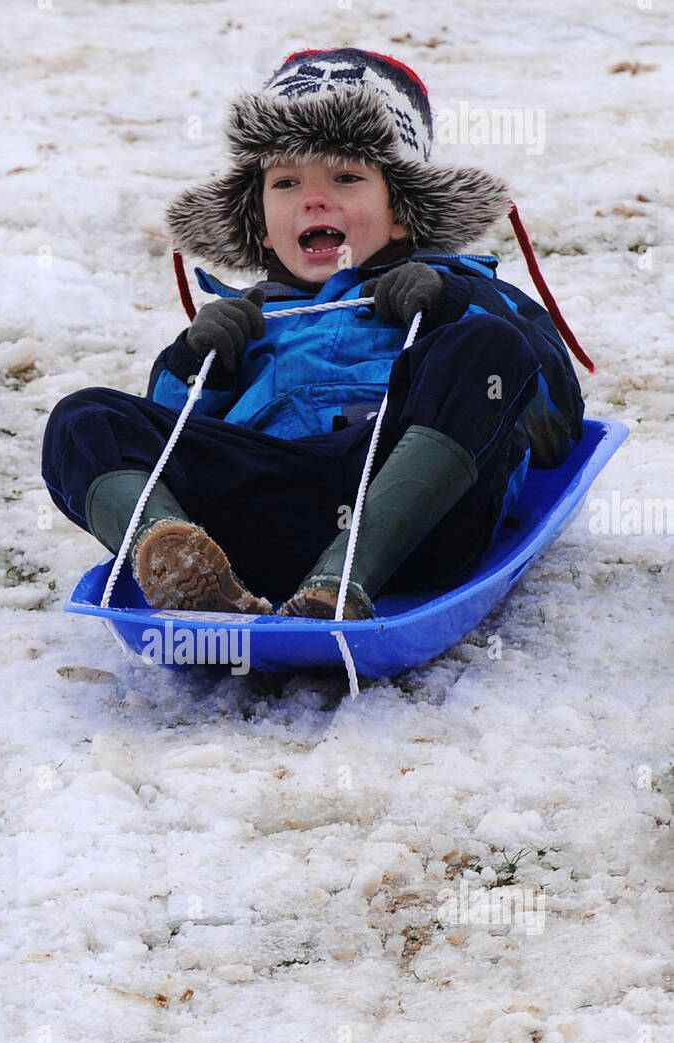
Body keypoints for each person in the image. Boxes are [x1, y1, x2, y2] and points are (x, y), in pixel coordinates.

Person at [41, 47, 585, 618]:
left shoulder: (465, 296)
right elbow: (171, 445)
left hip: (414, 511)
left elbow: (555, 424)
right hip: (257, 516)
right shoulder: (248, 321)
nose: (314, 198)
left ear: (401, 210)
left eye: (347, 176)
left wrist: (455, 305)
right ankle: (179, 561)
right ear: (261, 223)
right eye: (286, 182)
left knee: (488, 348)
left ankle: (343, 580)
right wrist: (198, 362)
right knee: (83, 418)